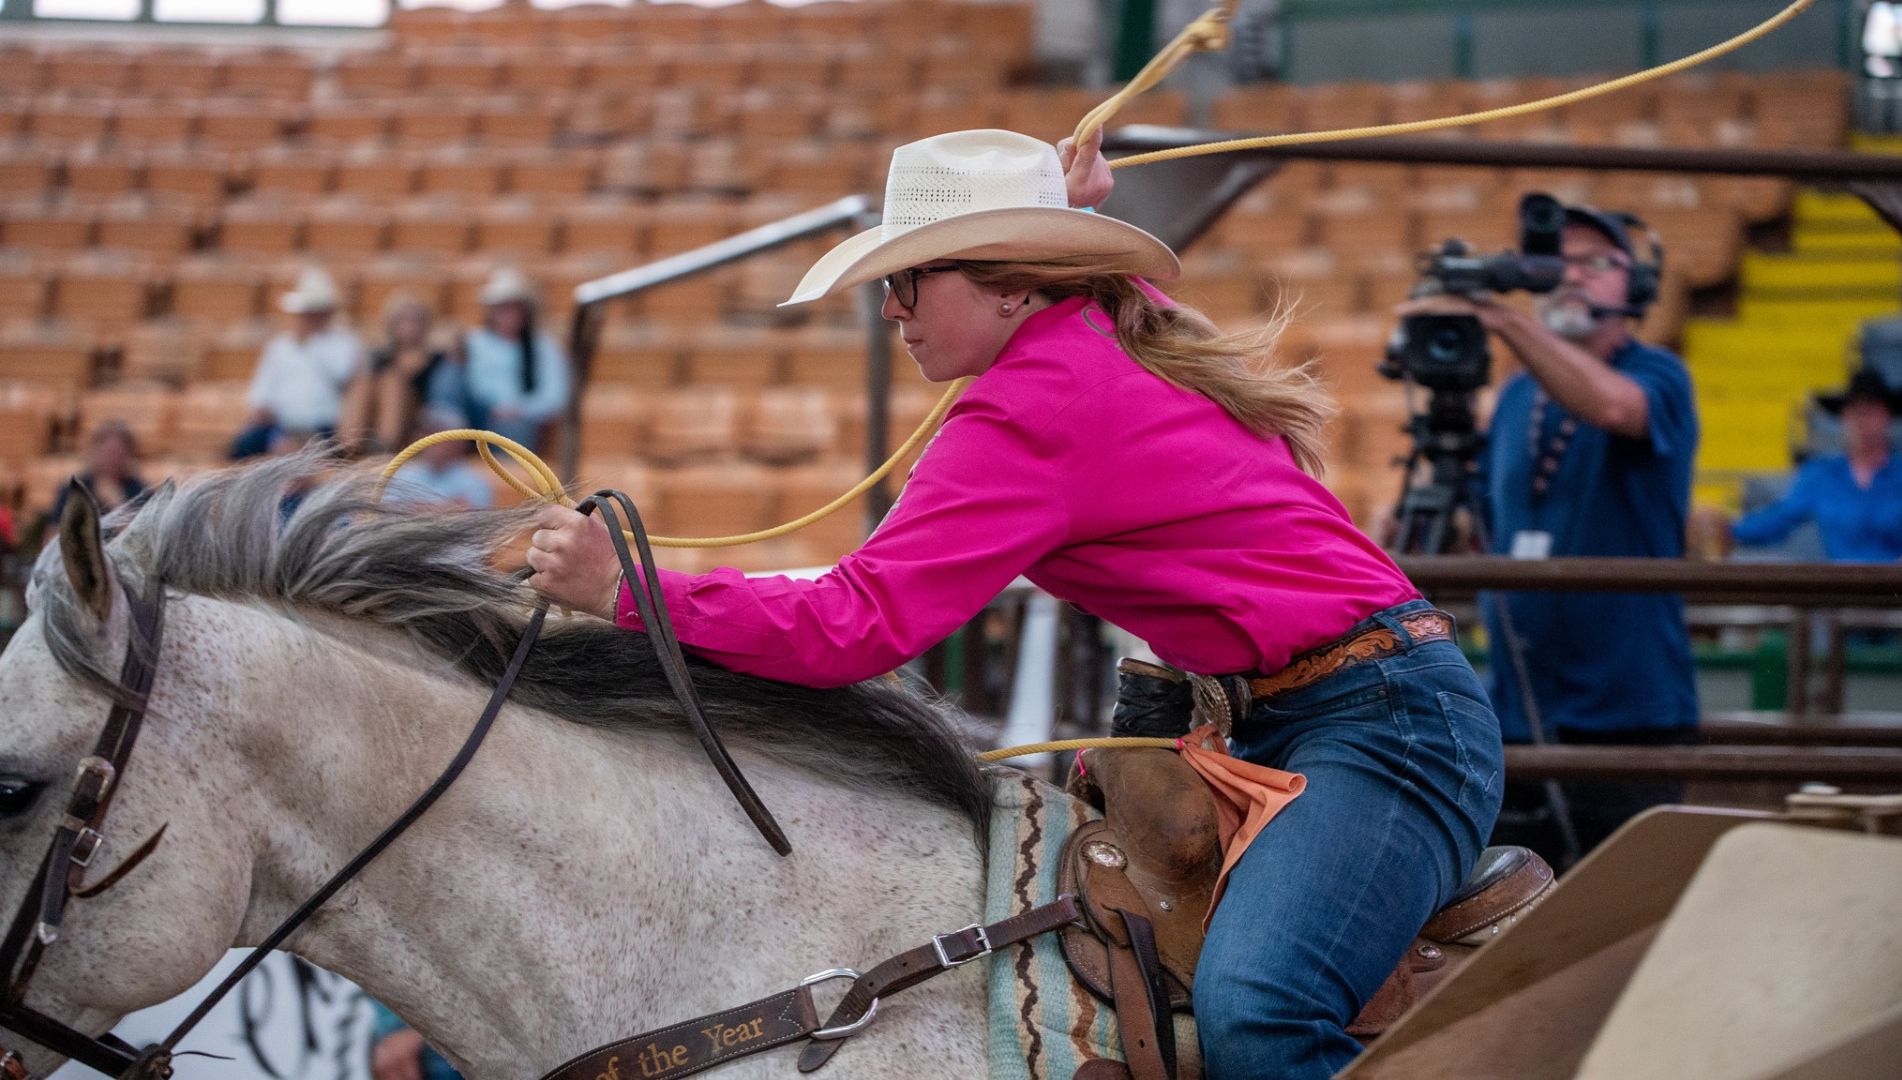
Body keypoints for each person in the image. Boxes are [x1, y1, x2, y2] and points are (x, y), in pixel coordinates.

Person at [520, 129, 1502, 1079]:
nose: (893, 308)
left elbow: (856, 625)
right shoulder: (1099, 329)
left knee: (1260, 1009)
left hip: (1379, 730)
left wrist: (629, 592)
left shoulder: (1037, 400)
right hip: (1336, 714)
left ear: (1015, 282)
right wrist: (1062, 223)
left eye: (914, 279)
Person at [1401, 201, 1699, 863]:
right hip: (1518, 713)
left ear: (1636, 287)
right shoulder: (1514, 398)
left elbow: (1615, 405)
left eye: (1597, 262)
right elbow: (1476, 522)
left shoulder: (1661, 375)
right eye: (1557, 262)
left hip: (1628, 711)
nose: (1572, 276)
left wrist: (1503, 319)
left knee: (1621, 925)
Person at [1713, 367, 1902, 562]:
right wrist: (1728, 529)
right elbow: (1779, 518)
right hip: (1847, 588)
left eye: (1870, 411)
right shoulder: (1821, 474)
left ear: (1888, 416)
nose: (1862, 420)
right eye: (1855, 412)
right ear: (1844, 418)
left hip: (1898, 589)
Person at [233, 267, 362, 460]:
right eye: (309, 311)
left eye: (318, 311)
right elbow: (262, 390)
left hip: (324, 428)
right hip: (281, 425)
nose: (313, 316)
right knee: (243, 445)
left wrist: (313, 344)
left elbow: (342, 377)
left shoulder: (345, 343)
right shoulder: (279, 346)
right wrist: (261, 410)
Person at [459, 267, 569, 451]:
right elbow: (468, 385)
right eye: (502, 308)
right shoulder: (473, 342)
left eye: (514, 308)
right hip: (474, 413)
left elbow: (554, 396)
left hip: (517, 421)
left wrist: (519, 409)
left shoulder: (543, 347)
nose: (509, 315)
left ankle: (506, 475)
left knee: (513, 428)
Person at [338, 293, 463, 454]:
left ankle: (385, 444)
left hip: (418, 420)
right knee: (363, 383)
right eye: (403, 320)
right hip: (376, 417)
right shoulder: (380, 356)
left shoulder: (437, 358)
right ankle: (348, 445)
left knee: (392, 381)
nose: (410, 326)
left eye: (415, 320)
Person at [383, 408, 495, 510]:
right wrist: (448, 507)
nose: (430, 441)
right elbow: (388, 512)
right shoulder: (403, 476)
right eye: (426, 433)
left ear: (458, 442)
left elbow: (474, 519)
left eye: (438, 434)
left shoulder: (475, 483)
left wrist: (414, 507)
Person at [49, 419, 147, 523]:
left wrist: (116, 503)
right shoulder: (74, 489)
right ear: (94, 452)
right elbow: (53, 535)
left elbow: (143, 537)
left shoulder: (140, 491)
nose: (113, 460)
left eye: (119, 454)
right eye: (109, 453)